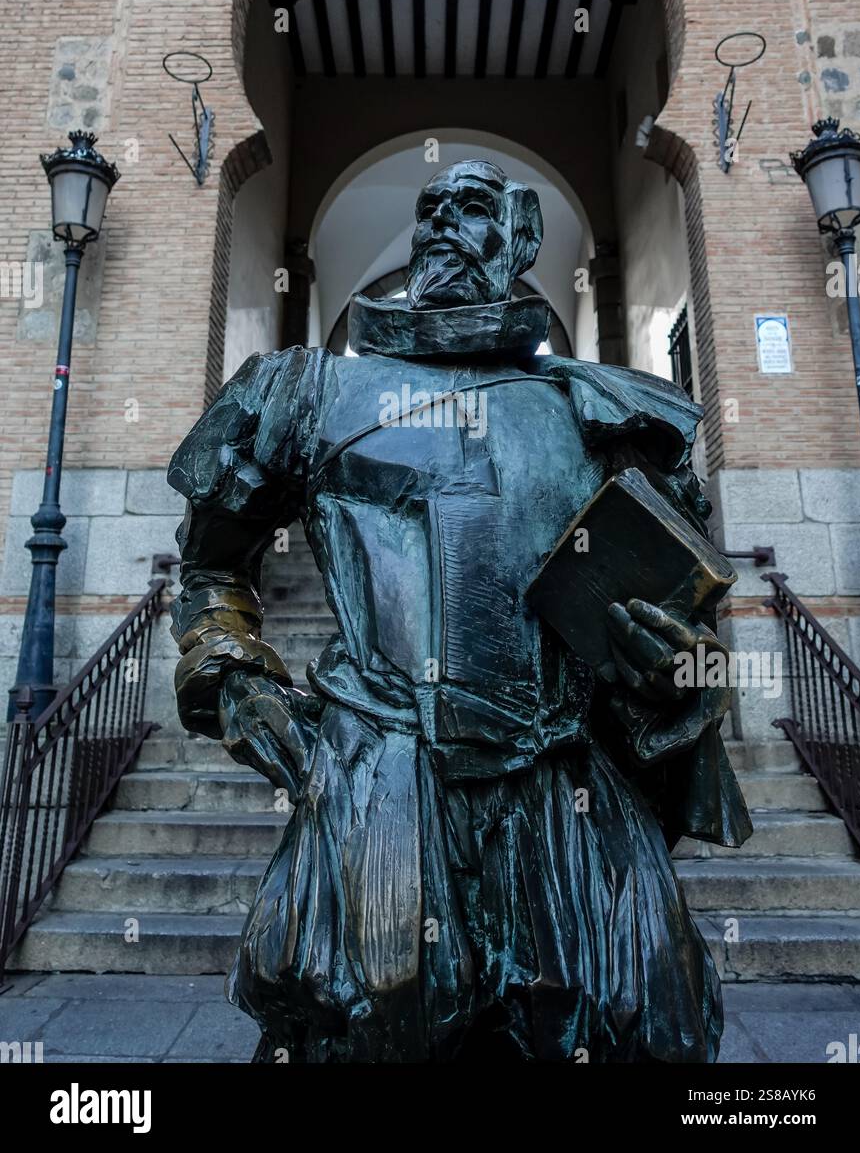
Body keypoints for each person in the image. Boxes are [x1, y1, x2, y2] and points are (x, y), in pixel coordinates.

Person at [167, 160, 751, 1063]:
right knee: (361, 1032)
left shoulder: (603, 416)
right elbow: (209, 570)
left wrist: (673, 679)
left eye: (471, 209)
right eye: (429, 208)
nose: (439, 223)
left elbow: (680, 632)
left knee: (649, 1029)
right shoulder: (303, 395)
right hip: (380, 784)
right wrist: (239, 681)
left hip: (565, 794)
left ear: (519, 243)